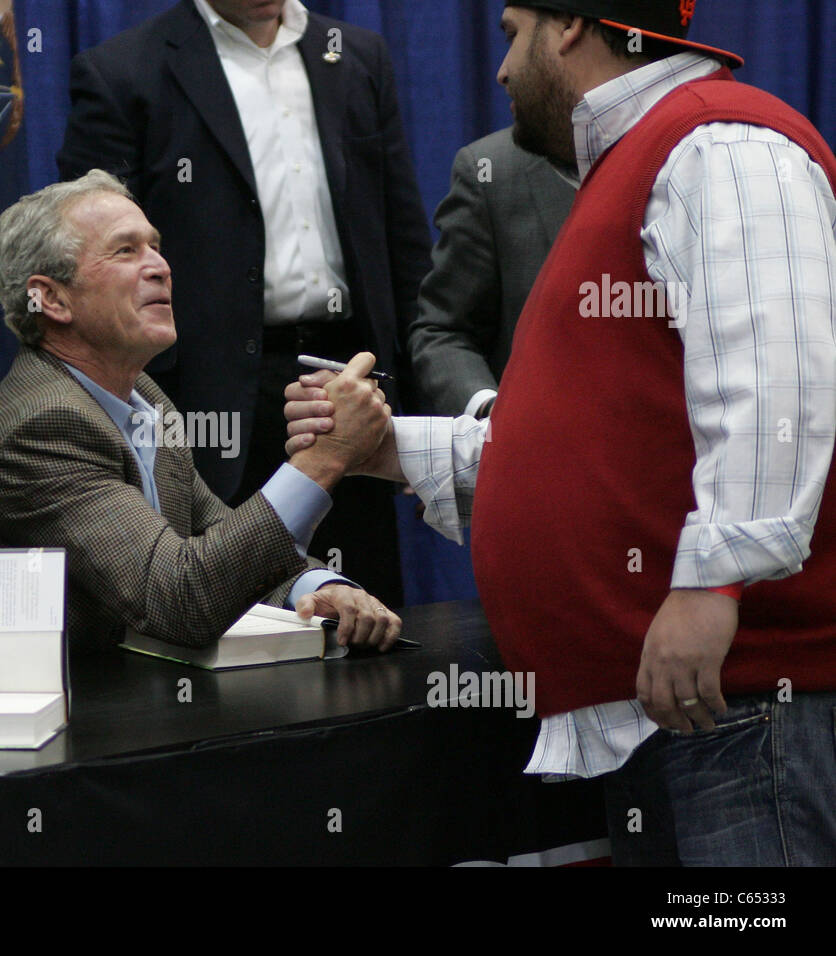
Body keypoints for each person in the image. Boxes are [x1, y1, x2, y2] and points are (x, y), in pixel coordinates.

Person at [286, 0, 836, 865]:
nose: (501, 70)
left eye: (511, 33)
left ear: (572, 23)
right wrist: (382, 449)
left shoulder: (719, 143)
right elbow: (569, 450)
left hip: (735, 702)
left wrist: (712, 587)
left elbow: (784, 381)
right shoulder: (635, 165)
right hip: (671, 702)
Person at [0, 171, 402, 655]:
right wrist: (324, 460)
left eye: (155, 246)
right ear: (50, 298)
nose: (160, 267)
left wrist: (316, 589)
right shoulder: (39, 428)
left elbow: (216, 538)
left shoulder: (141, 395)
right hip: (37, 712)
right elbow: (180, 601)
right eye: (125, 250)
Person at [56, 0, 434, 607]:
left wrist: (422, 412)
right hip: (204, 396)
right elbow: (93, 256)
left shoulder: (358, 56)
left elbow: (403, 239)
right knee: (228, 612)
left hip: (347, 378)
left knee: (358, 609)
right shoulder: (124, 72)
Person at [408, 126, 575, 418]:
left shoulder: (676, 154)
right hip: (543, 448)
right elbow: (444, 330)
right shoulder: (492, 170)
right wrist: (490, 413)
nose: (503, 77)